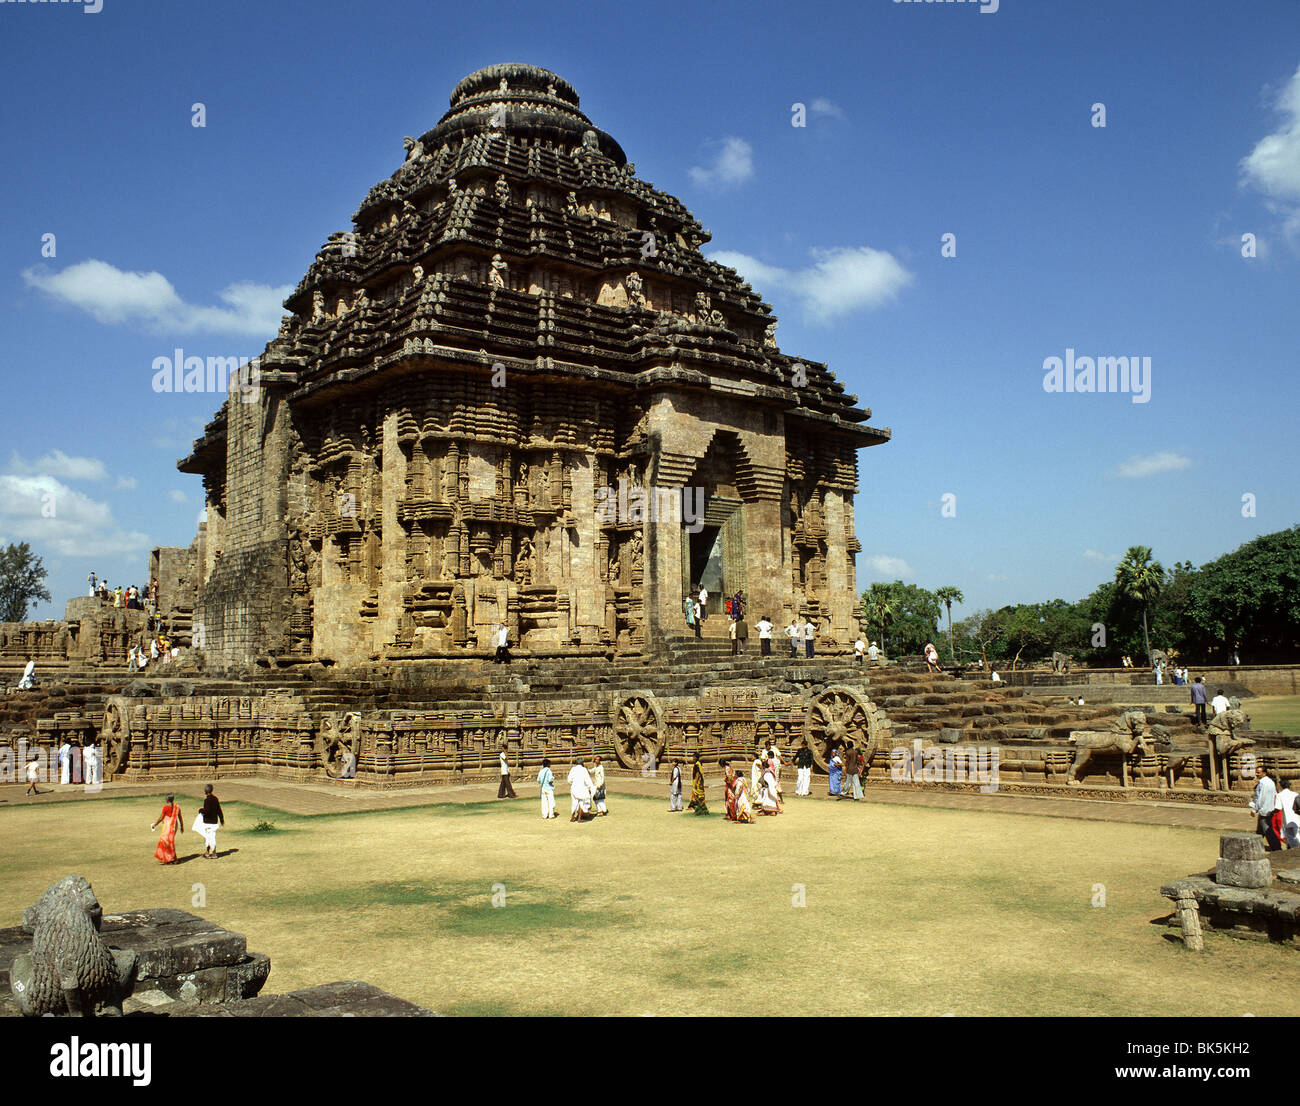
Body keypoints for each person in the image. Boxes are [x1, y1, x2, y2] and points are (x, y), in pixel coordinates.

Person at [1249, 766, 1280, 851]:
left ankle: (1276, 848)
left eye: (1258, 772)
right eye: (1256, 772)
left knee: (1267, 830)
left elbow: (1261, 798)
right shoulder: (1269, 782)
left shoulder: (1263, 783)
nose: (1257, 774)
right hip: (1268, 808)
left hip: (1264, 809)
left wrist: (1254, 809)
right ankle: (1256, 846)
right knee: (1260, 830)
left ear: (1264, 773)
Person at [194, 783, 224, 859]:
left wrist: (200, 810)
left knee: (208, 837)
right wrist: (221, 819)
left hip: (208, 822)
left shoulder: (207, 800)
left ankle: (212, 853)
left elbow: (206, 811)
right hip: (214, 821)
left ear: (206, 790)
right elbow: (219, 810)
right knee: (211, 837)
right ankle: (209, 852)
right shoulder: (215, 799)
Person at [151, 794, 183, 864]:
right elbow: (180, 817)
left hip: (168, 826)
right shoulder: (177, 807)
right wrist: (182, 826)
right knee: (170, 842)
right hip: (174, 825)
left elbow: (161, 818)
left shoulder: (166, 807)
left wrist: (155, 824)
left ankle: (172, 859)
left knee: (167, 842)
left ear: (167, 800)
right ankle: (172, 858)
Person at [1278, 777, 1299, 849]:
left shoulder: (1279, 795)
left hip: (1287, 818)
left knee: (1289, 835)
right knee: (1297, 834)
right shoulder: (1295, 794)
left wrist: (1271, 812)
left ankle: (1295, 849)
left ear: (1281, 786)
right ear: (1289, 786)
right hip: (1296, 817)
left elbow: (1278, 808)